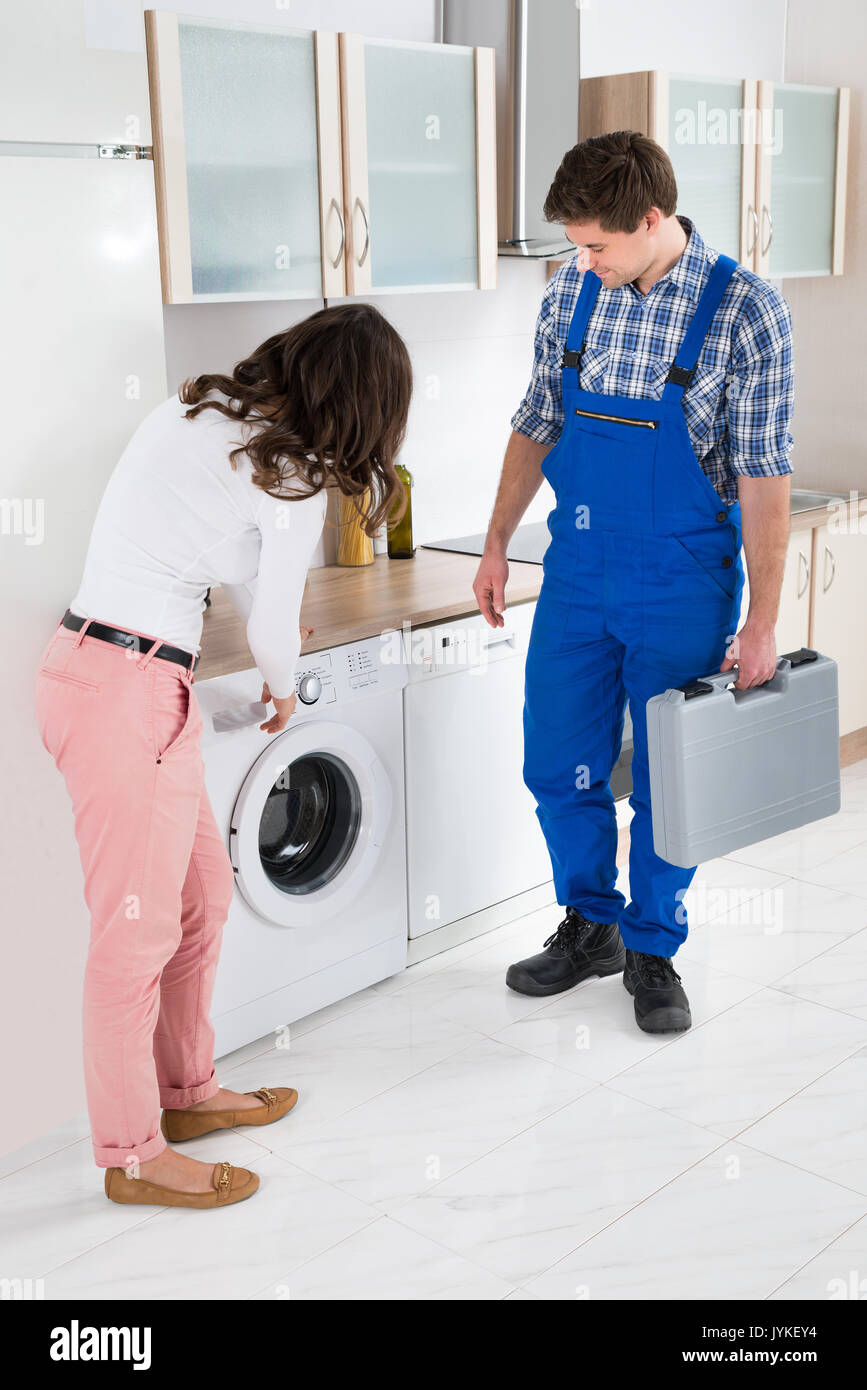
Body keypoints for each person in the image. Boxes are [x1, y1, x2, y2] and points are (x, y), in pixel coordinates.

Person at [34, 304, 412, 1208]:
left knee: (201, 901)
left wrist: (268, 654)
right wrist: (283, 685)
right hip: (120, 691)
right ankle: (132, 1155)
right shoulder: (286, 474)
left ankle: (189, 1093)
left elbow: (242, 579)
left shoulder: (207, 419)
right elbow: (272, 615)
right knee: (133, 939)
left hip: (126, 680)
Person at [473, 131, 793, 1034]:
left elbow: (764, 475)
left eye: (595, 245)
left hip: (682, 575)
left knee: (668, 778)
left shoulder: (746, 310)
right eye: (575, 244)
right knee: (555, 764)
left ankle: (653, 949)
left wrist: (761, 621)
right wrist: (496, 540)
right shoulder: (572, 289)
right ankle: (591, 926)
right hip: (577, 568)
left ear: (651, 221)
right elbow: (538, 418)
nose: (582, 260)